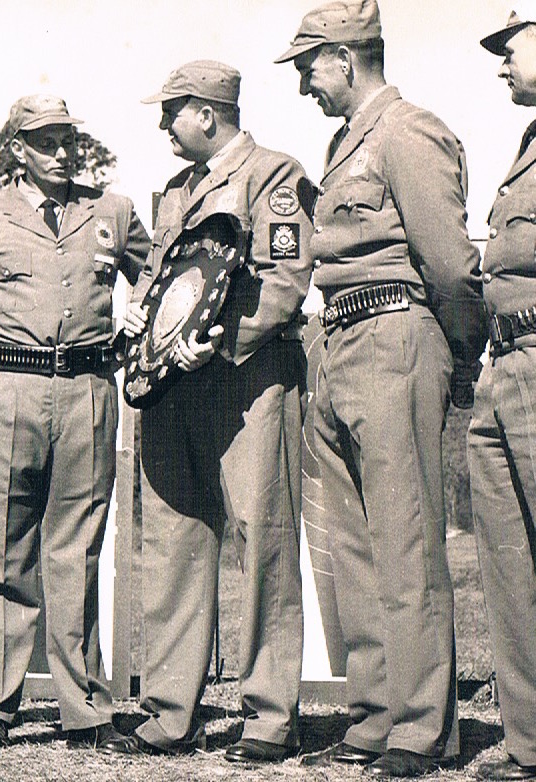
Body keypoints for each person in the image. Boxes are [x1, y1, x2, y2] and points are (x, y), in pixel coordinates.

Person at [274, 0, 488, 777]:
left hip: (397, 335)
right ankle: (372, 717)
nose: (304, 84)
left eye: (308, 66)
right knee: (352, 550)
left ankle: (422, 728)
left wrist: (459, 359)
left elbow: (454, 268)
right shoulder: (344, 143)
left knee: (403, 540)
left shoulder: (409, 132)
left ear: (344, 57)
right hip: (337, 341)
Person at [0, 94, 149, 752]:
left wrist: (145, 314)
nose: (61, 152)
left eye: (68, 139)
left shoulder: (110, 211)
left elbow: (166, 271)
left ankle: (85, 708)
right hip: (9, 391)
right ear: (18, 147)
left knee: (77, 553)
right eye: (45, 140)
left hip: (88, 388)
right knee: (0, 552)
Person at [120, 60, 313, 761]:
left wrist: (221, 343)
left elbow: (286, 279)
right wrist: (144, 339)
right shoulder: (177, 190)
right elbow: (158, 282)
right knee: (173, 543)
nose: (162, 123)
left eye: (171, 109)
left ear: (207, 112)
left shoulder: (274, 175)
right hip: (174, 387)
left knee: (261, 539)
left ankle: (268, 719)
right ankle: (170, 713)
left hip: (246, 380)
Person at [469, 8, 536, 781]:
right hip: (507, 362)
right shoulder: (527, 143)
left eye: (509, 48)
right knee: (511, 568)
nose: (499, 65)